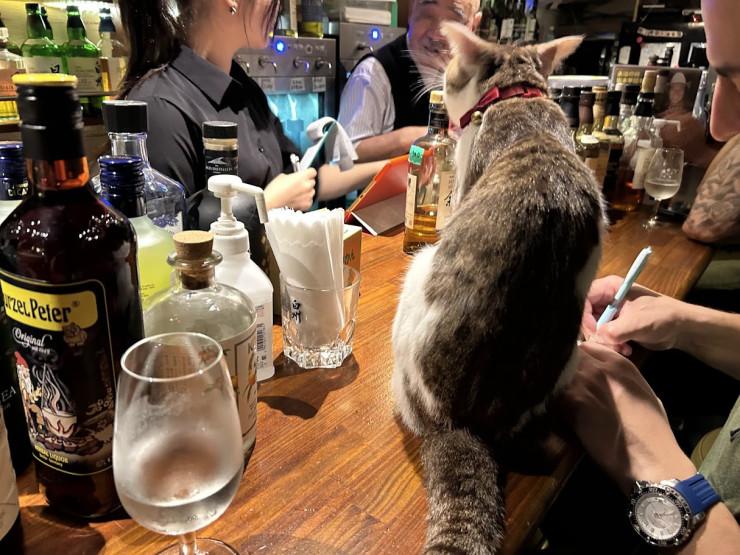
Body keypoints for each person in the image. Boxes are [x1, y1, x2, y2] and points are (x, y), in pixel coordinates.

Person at [118, 0, 386, 214]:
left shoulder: (245, 90)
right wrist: (265, 205)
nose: (278, 8)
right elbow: (168, 246)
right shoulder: (159, 109)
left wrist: (396, 166)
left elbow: (304, 181)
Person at [337, 0, 481, 163]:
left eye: (454, 21)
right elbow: (343, 156)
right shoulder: (372, 74)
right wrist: (407, 138)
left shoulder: (476, 74)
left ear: (473, 26)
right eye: (427, 15)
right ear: (411, 12)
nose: (436, 34)